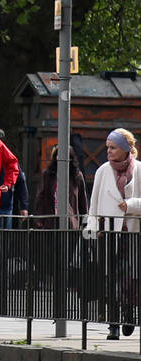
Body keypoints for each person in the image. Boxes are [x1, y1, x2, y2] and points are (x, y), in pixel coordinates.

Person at [84, 128, 141, 339]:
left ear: (126, 148)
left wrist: (132, 205)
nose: (108, 151)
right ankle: (113, 325)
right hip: (108, 235)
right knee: (111, 280)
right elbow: (94, 205)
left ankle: (128, 313)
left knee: (130, 279)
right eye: (107, 147)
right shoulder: (102, 171)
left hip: (132, 235)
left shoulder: (139, 170)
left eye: (113, 147)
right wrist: (93, 230)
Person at [34, 144, 87, 230]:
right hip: (50, 220)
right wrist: (39, 218)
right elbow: (40, 196)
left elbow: (82, 199)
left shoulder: (77, 176)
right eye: (58, 155)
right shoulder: (47, 174)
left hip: (71, 222)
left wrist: (85, 221)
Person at [0, 127, 28, 227]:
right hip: (2, 205)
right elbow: (21, 181)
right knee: (3, 239)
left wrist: (24, 206)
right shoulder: (9, 159)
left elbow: (20, 181)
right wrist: (24, 206)